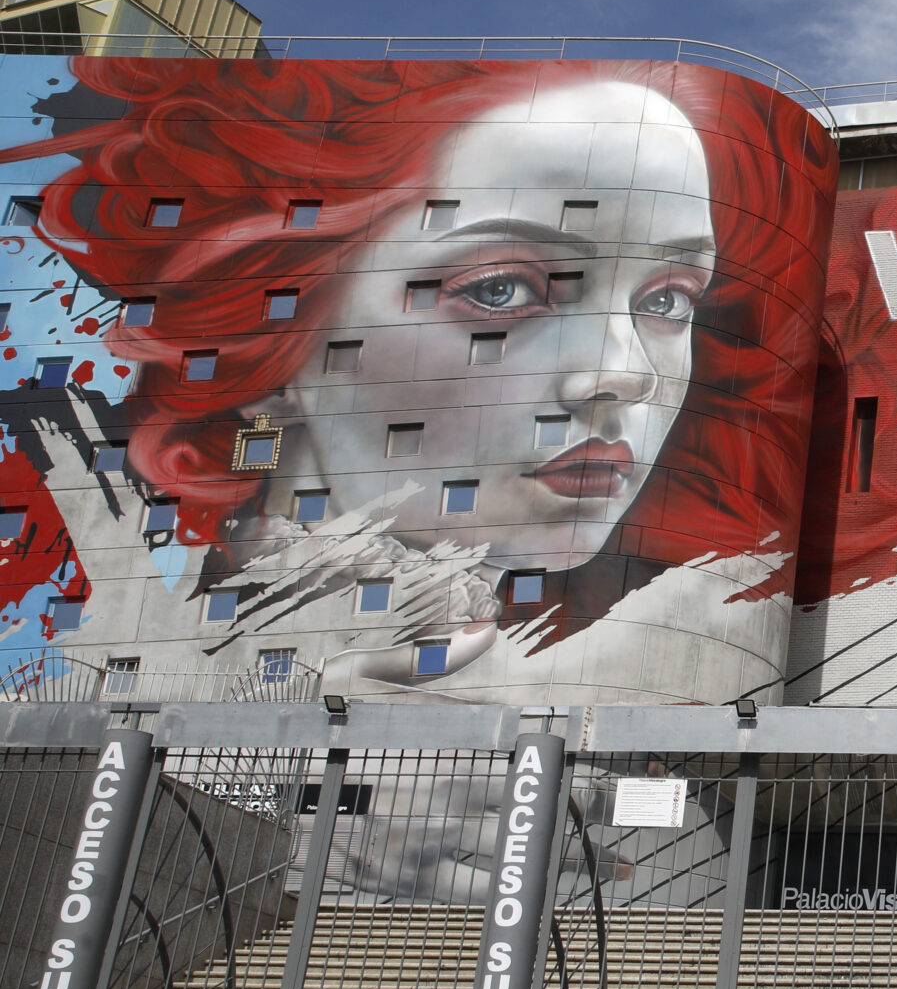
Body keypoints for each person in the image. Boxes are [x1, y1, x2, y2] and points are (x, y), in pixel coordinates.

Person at [0, 57, 830, 702]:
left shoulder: (567, 669)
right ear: (281, 334)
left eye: (667, 299)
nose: (624, 374)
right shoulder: (115, 638)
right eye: (501, 290)